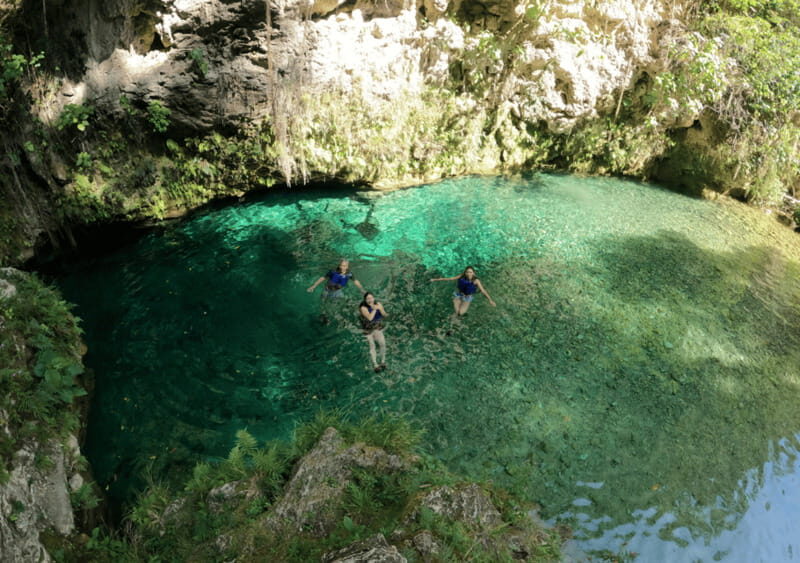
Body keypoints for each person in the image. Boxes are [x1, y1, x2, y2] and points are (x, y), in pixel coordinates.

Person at [430, 265, 496, 317]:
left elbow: (483, 291)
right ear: (465, 272)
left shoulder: (476, 281)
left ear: (473, 273)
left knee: (460, 313)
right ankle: (454, 321)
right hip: (459, 294)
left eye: (470, 272)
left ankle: (457, 318)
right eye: (467, 272)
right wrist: (435, 279)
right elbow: (450, 278)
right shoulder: (462, 276)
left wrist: (490, 300)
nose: (468, 274)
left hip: (467, 297)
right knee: (457, 312)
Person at [359, 292, 387, 372]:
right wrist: (374, 309)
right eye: (368, 298)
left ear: (374, 298)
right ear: (365, 300)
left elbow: (384, 315)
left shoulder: (378, 304)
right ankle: (375, 365)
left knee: (382, 343)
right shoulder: (363, 308)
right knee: (372, 345)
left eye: (371, 298)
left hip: (377, 326)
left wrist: (380, 309)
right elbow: (370, 318)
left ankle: (383, 361)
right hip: (367, 327)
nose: (370, 300)